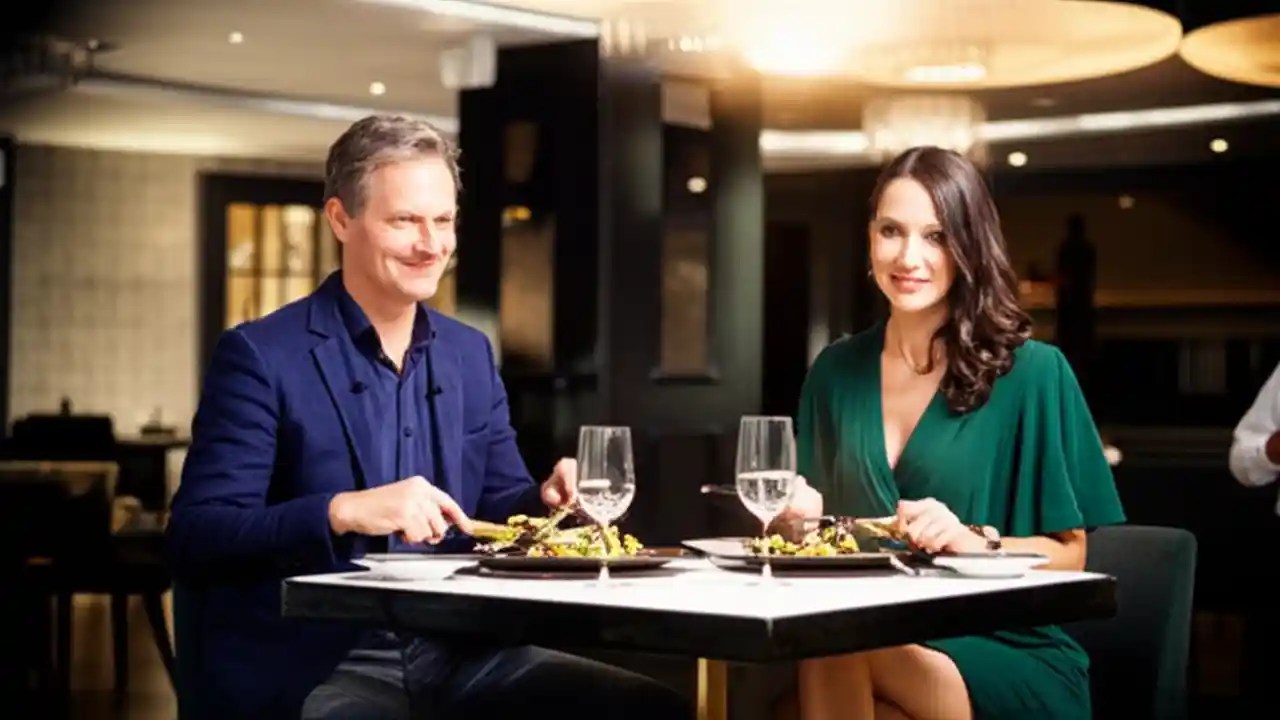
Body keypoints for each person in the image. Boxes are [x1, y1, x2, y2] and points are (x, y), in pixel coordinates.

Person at [167, 115, 690, 720]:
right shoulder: (260, 355)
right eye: (405, 221)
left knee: (649, 709)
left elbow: (497, 505)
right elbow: (196, 536)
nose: (432, 244)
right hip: (323, 662)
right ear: (341, 219)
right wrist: (343, 510)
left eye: (443, 221)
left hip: (462, 649)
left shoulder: (469, 353)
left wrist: (548, 502)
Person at [776, 146, 1126, 720]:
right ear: (869, 239)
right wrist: (795, 524)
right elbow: (824, 543)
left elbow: (1071, 554)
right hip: (868, 639)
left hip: (1002, 644)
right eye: (891, 230)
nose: (909, 255)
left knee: (828, 645)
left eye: (935, 236)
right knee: (834, 647)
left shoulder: (1036, 373)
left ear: (968, 246)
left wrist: (974, 542)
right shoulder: (833, 373)